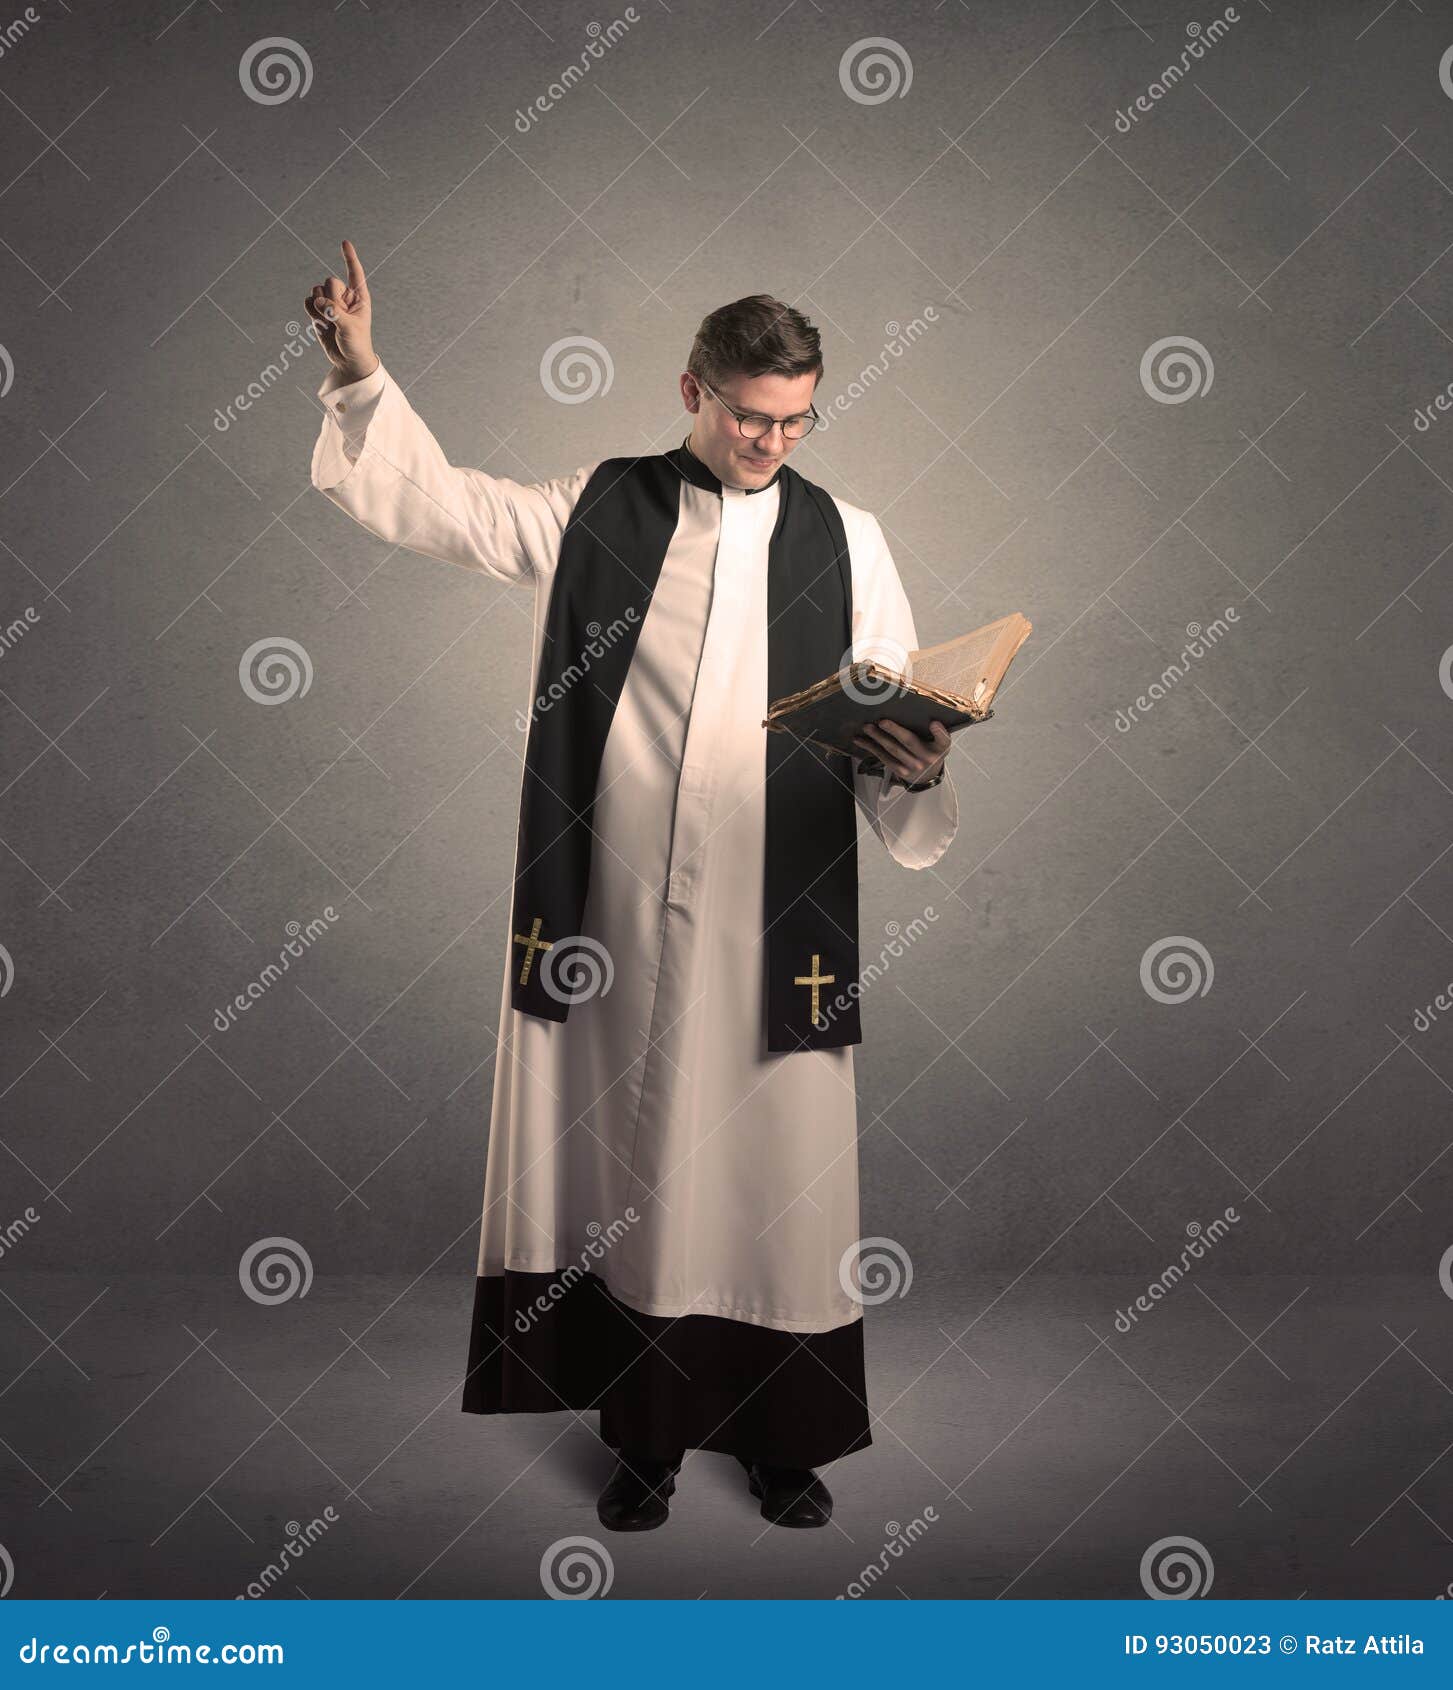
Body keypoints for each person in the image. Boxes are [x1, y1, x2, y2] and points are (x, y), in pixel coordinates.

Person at [305, 239, 959, 1532]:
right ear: (690, 393)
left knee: (782, 1177)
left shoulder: (850, 538)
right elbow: (450, 507)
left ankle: (783, 1438)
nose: (772, 441)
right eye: (747, 415)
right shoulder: (602, 507)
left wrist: (918, 759)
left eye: (795, 418)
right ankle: (649, 1433)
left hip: (780, 922)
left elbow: (892, 712)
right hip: (619, 919)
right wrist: (364, 374)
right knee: (636, 1171)